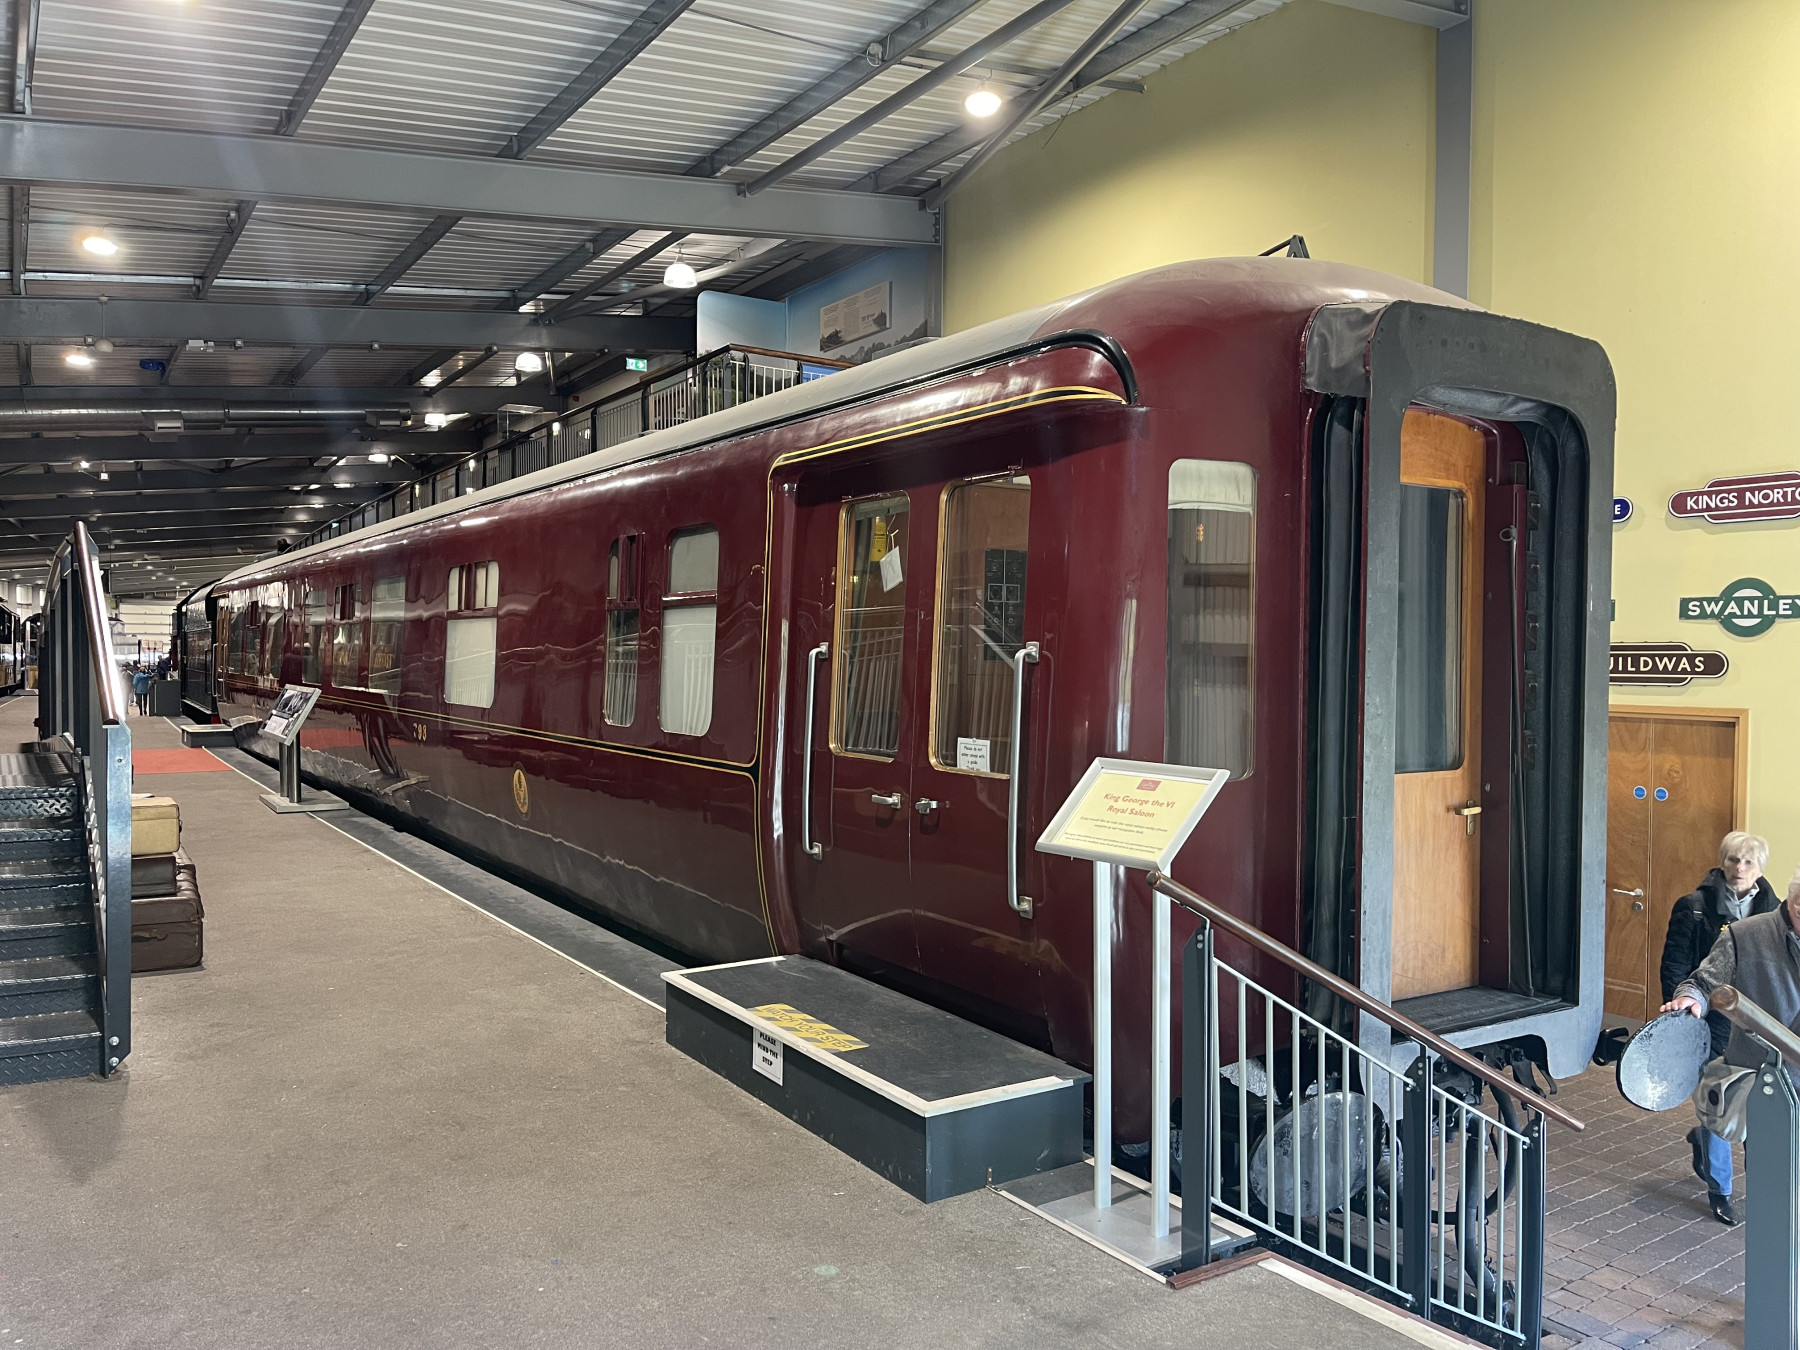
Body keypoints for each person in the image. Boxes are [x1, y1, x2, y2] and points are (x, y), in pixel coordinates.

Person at [1663, 862, 1800, 1226]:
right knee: (1741, 1138)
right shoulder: (1746, 935)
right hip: (1755, 1069)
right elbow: (1705, 981)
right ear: (1792, 899)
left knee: (1780, 1170)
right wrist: (1690, 999)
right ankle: (1721, 1192)